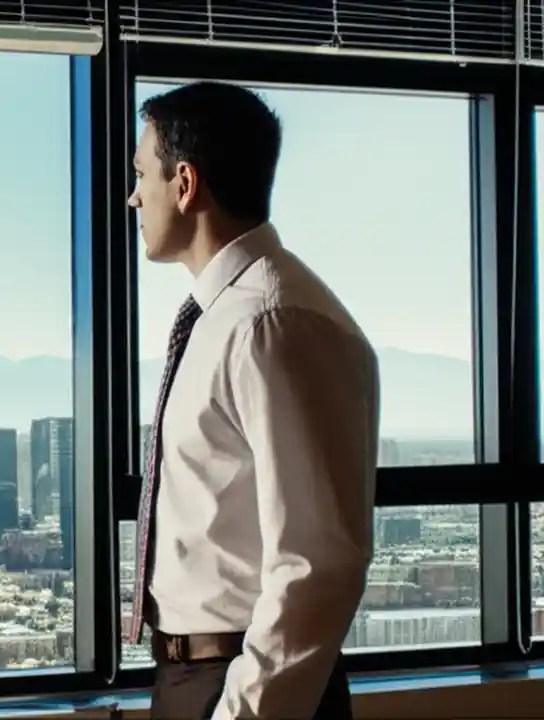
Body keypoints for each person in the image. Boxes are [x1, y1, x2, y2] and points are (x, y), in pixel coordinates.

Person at [125, 81, 380, 720]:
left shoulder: (273, 321)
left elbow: (316, 563)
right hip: (199, 680)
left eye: (140, 175)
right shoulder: (224, 316)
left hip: (245, 690)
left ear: (184, 184)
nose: (133, 197)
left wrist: (242, 710)